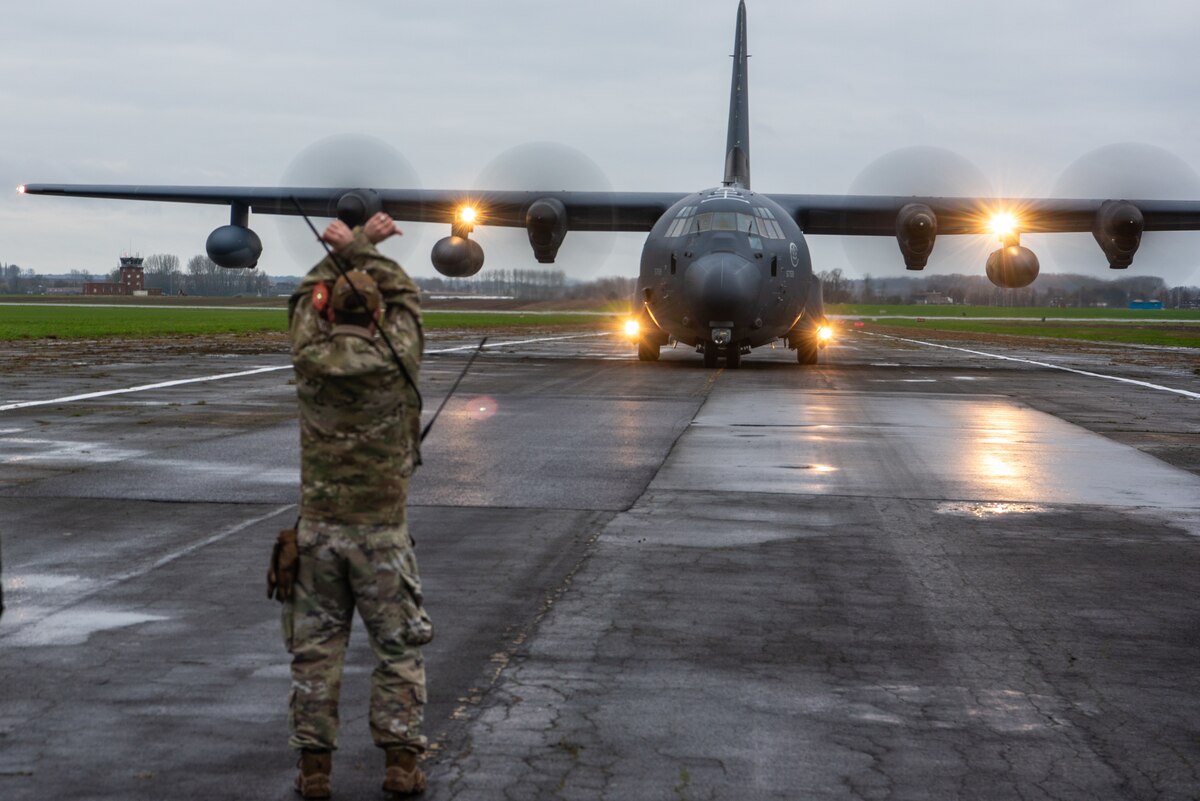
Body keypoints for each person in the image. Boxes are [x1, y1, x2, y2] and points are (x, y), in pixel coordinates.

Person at [273, 212, 430, 799]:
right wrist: (369, 248)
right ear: (381, 315)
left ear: (326, 310)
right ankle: (400, 764)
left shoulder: (309, 361)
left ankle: (314, 773)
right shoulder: (400, 359)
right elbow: (407, 295)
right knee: (397, 652)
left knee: (315, 656)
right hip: (383, 538)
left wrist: (343, 249)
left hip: (317, 537)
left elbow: (294, 301)